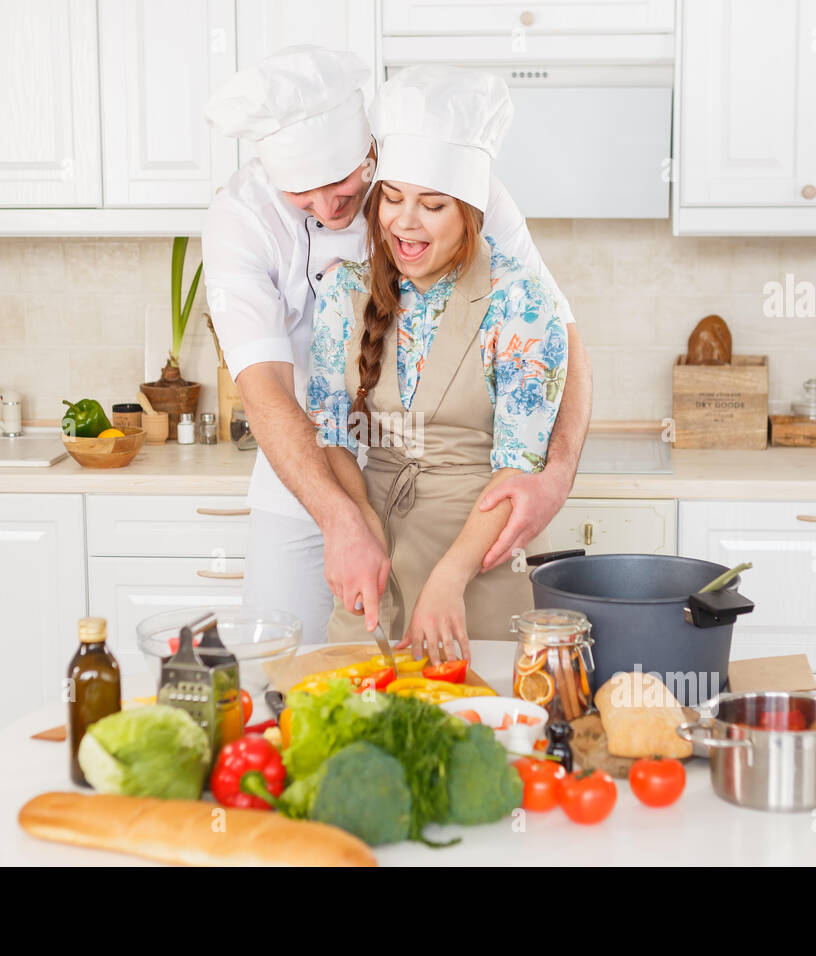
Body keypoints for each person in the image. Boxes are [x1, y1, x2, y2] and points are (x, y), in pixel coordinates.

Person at [203, 46, 592, 645]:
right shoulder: (242, 219)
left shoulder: (454, 177)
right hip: (305, 465)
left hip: (455, 504)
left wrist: (556, 472)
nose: (332, 214)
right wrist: (344, 516)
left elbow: (558, 335)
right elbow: (267, 389)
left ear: (371, 155)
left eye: (346, 191)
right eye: (304, 202)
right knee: (289, 665)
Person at [306, 65, 566, 664]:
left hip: (482, 566)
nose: (404, 222)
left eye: (433, 205)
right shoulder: (344, 292)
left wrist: (451, 578)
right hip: (374, 567)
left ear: (470, 212)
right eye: (392, 199)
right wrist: (357, 525)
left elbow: (519, 467)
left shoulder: (521, 300)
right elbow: (330, 437)